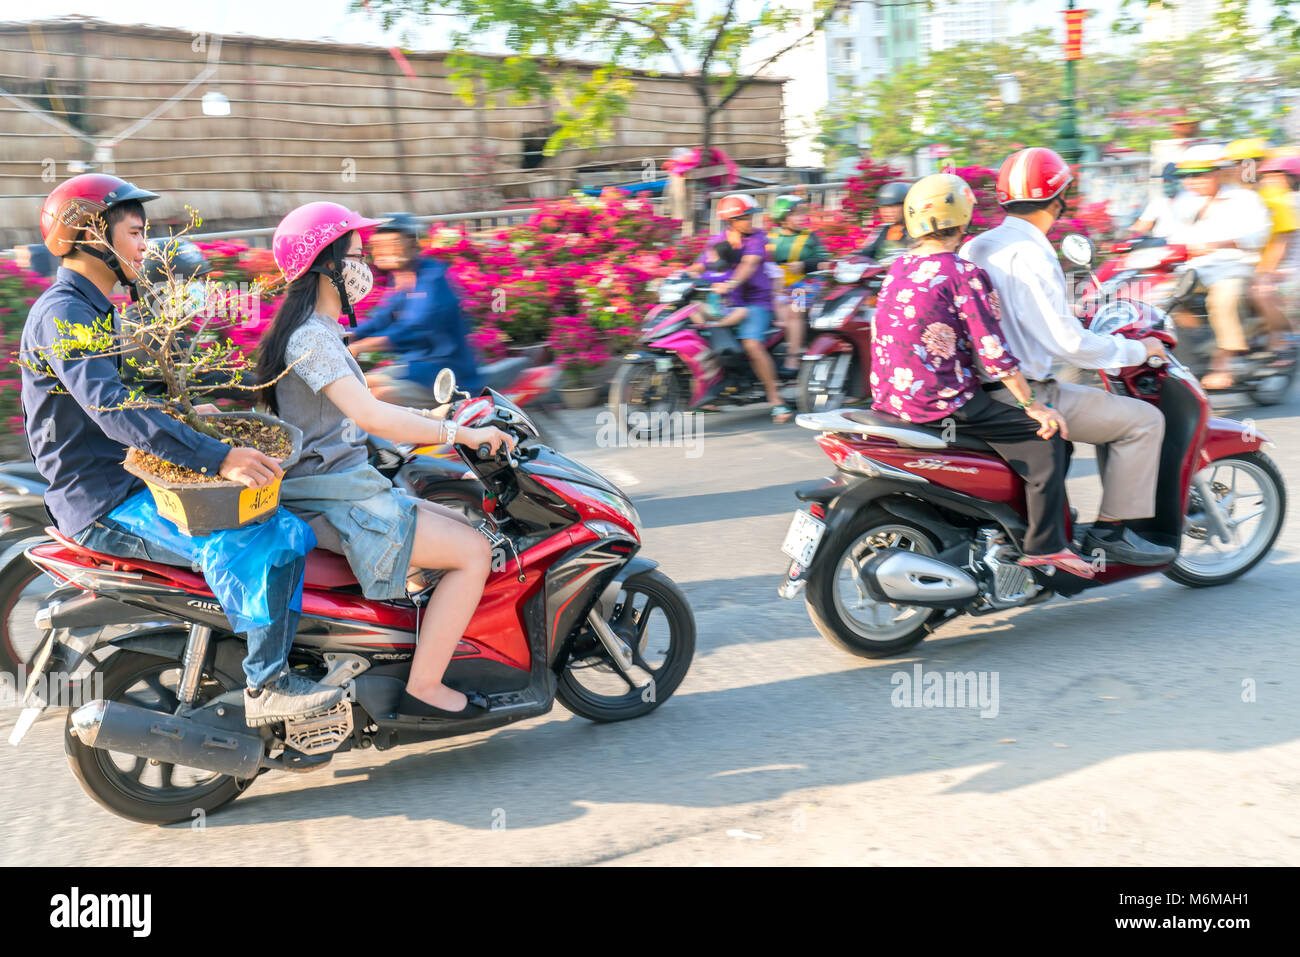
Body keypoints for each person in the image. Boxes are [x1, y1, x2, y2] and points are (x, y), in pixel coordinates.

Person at [20, 174, 341, 726]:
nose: (145, 246)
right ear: (93, 234)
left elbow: (123, 398)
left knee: (273, 517)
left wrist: (193, 418)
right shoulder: (64, 315)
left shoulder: (90, 308)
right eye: (135, 232)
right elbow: (113, 409)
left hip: (124, 481)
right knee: (271, 535)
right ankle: (268, 683)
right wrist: (217, 457)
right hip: (103, 502)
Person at [258, 202, 515, 718]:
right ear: (325, 265)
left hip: (347, 485)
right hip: (334, 497)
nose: (364, 266)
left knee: (479, 530)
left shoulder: (322, 329)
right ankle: (425, 687)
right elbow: (370, 414)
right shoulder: (310, 336)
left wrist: (432, 417)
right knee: (473, 554)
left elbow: (352, 418)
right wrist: (457, 431)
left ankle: (410, 644)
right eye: (354, 255)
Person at [962, 147, 1178, 567]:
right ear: (1058, 198)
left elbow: (1017, 317)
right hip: (1022, 391)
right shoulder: (1034, 252)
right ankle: (1113, 533)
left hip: (979, 388)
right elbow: (1068, 344)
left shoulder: (979, 245)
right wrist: (1138, 349)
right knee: (1144, 420)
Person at [870, 174, 1092, 578]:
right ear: (963, 218)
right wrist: (1033, 405)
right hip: (944, 402)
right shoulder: (963, 273)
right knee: (1048, 438)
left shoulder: (899, 267)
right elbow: (994, 354)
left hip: (891, 400)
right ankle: (1047, 547)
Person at [1165, 143, 1273, 390]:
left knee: (1223, 302)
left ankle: (1221, 364)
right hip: (1192, 269)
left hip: (1231, 268)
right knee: (1163, 301)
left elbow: (1259, 236)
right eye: (1186, 176)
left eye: (1198, 174)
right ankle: (1191, 353)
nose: (1192, 181)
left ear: (1218, 172)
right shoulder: (1183, 202)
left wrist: (1221, 243)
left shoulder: (1245, 199)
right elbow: (1170, 236)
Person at [347, 212, 482, 404]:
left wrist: (359, 347)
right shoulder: (400, 279)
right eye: (378, 245)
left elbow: (414, 328)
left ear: (412, 245)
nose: (384, 251)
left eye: (393, 243)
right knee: (356, 384)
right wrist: (344, 337)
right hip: (417, 369)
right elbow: (380, 320)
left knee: (375, 398)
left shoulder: (433, 278)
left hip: (446, 376)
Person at [686, 193, 791, 422]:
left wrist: (731, 283)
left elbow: (748, 265)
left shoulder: (757, 238)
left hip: (757, 301)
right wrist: (680, 276)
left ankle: (776, 400)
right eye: (745, 217)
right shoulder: (717, 241)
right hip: (729, 302)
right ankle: (710, 394)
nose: (751, 220)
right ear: (730, 220)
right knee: (696, 333)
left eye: (751, 215)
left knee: (751, 345)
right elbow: (701, 265)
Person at [767, 194, 832, 376]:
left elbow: (825, 261)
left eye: (801, 213)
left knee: (794, 308)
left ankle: (793, 359)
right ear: (782, 217)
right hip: (778, 285)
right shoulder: (770, 237)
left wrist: (804, 265)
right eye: (794, 214)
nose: (800, 218)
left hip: (806, 283)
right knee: (778, 311)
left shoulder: (810, 237)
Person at [1130, 162, 1194, 239]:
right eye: (1165, 181)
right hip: (1160, 243)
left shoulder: (1191, 198)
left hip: (1183, 242)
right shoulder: (1158, 201)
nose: (1166, 184)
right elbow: (1142, 225)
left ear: (1179, 181)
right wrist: (1125, 235)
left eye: (1170, 181)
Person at [858, 181, 912, 263]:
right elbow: (867, 251)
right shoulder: (881, 230)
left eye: (893, 206)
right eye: (883, 206)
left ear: (906, 205)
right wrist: (851, 258)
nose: (887, 211)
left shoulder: (915, 231)